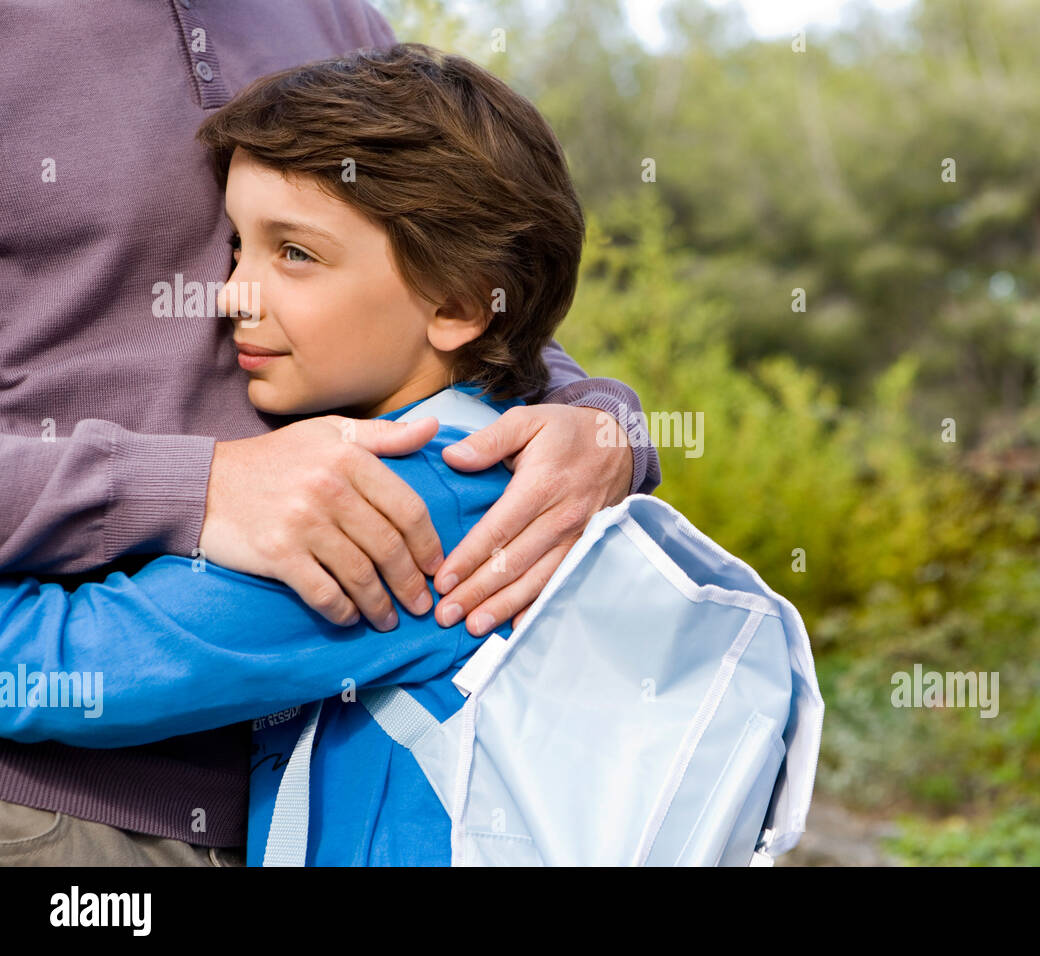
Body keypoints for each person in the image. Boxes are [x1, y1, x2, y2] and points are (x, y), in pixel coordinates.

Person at [0, 1, 659, 865]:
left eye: (293, 254)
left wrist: (607, 422)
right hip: (60, 810)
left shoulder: (400, 511)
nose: (228, 296)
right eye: (236, 247)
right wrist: (193, 485)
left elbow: (66, 667)